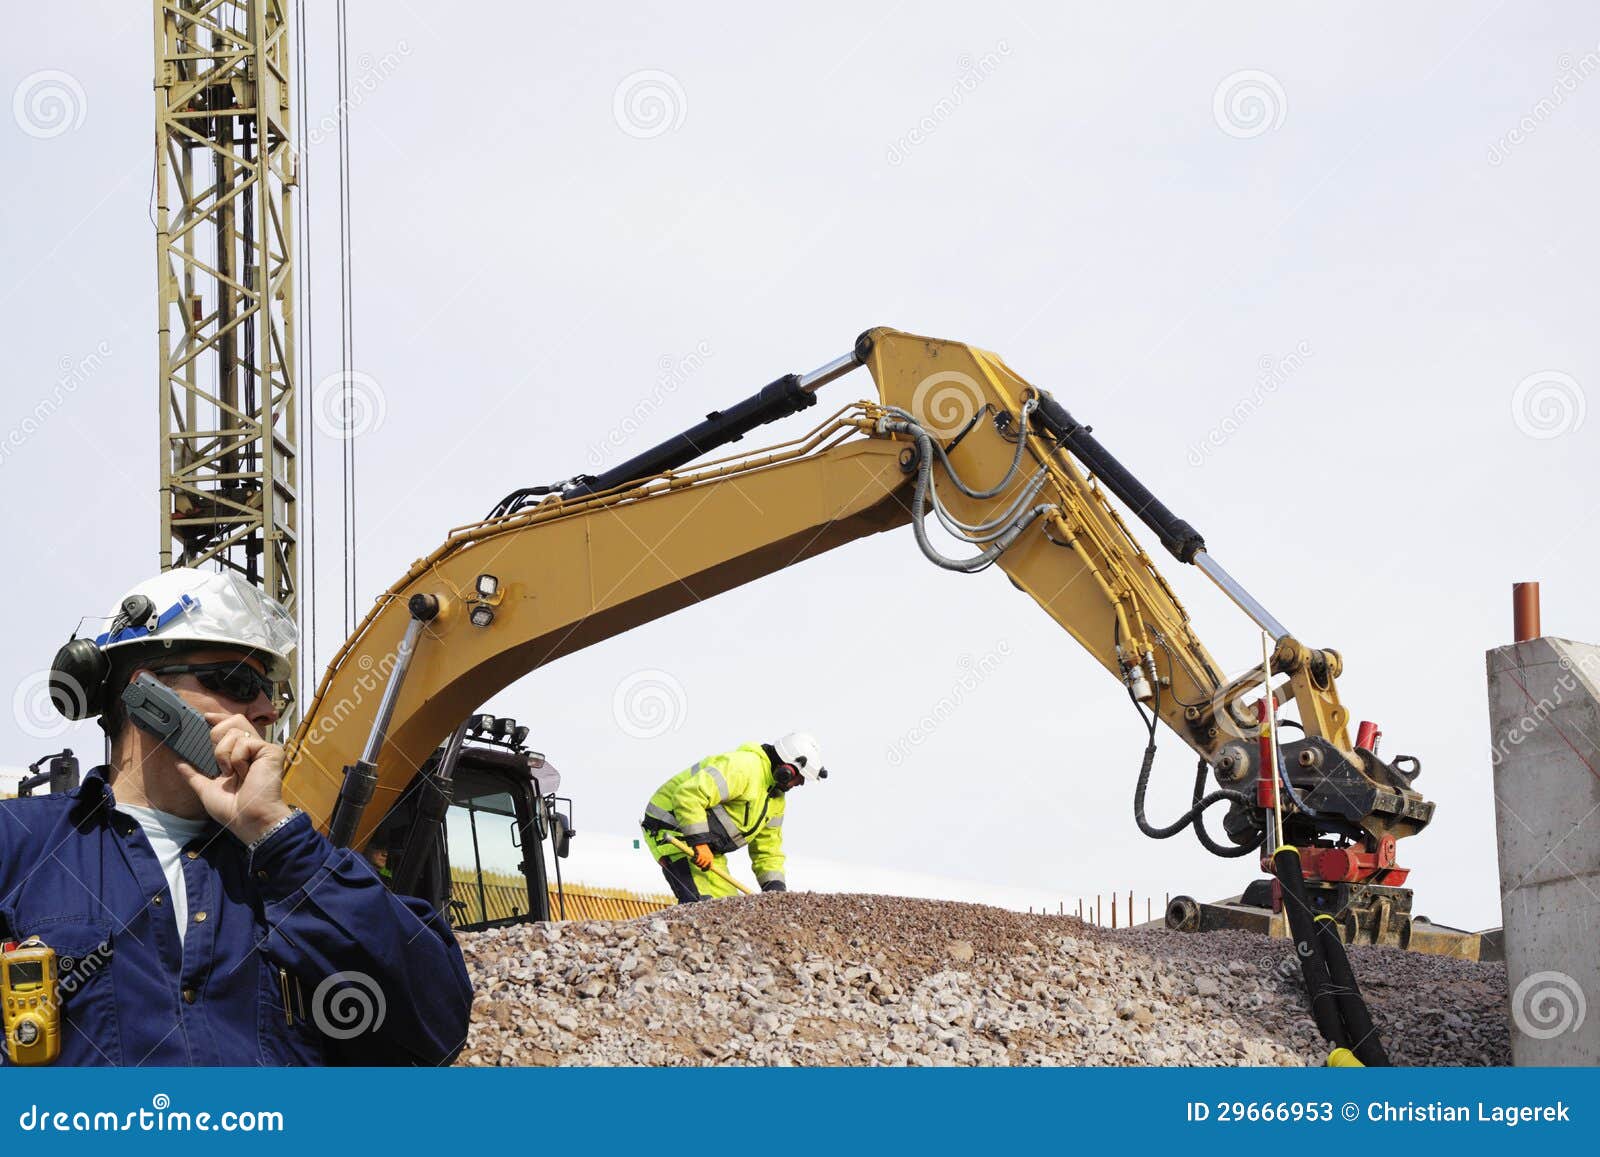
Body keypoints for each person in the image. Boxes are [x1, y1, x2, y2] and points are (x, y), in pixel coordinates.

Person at [0, 568, 473, 1066]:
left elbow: (437, 1028)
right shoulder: (19, 846)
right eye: (239, 680)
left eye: (272, 691)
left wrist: (277, 840)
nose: (267, 709)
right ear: (147, 696)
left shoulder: (302, 870)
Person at [640, 732, 826, 903]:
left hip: (707, 848)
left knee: (727, 908)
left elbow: (768, 849)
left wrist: (775, 893)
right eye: (800, 778)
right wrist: (699, 843)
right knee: (705, 908)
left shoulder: (775, 798)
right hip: (673, 832)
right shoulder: (744, 766)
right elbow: (688, 795)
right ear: (788, 769)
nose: (801, 784)